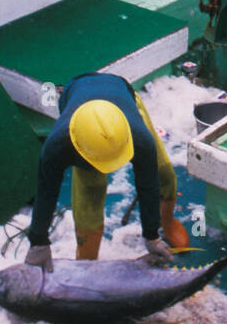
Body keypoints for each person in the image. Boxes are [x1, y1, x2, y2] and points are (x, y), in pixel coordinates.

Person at [25, 71, 191, 271]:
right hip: (78, 105)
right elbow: (46, 191)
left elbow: (148, 183)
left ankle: (167, 221)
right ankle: (87, 256)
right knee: (91, 190)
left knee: (163, 170)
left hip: (121, 92)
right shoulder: (57, 145)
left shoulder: (139, 138)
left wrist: (151, 235)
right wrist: (38, 241)